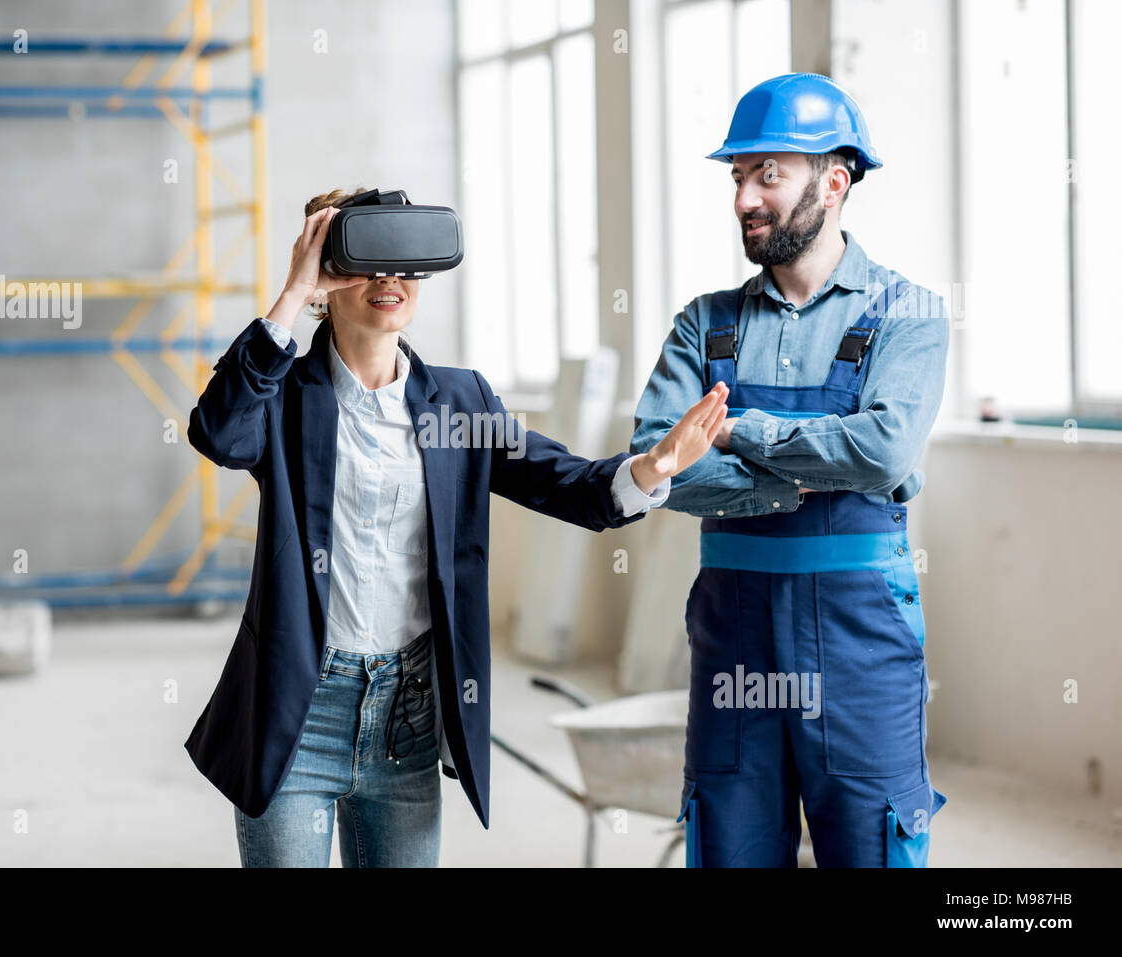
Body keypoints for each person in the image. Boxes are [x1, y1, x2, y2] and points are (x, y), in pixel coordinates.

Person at [184, 186, 731, 867]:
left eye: (407, 264)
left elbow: (566, 484)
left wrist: (652, 468)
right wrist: (293, 294)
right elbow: (217, 432)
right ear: (327, 276)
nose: (390, 280)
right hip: (299, 714)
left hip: (407, 717)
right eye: (367, 260)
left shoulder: (459, 400)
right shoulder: (284, 397)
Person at [631, 73, 950, 867]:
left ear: (834, 182)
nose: (744, 197)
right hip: (732, 631)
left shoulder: (907, 314)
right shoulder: (705, 322)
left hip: (859, 636)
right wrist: (805, 473)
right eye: (738, 176)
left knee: (872, 841)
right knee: (729, 843)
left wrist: (741, 429)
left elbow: (885, 450)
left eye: (767, 173)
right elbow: (656, 461)